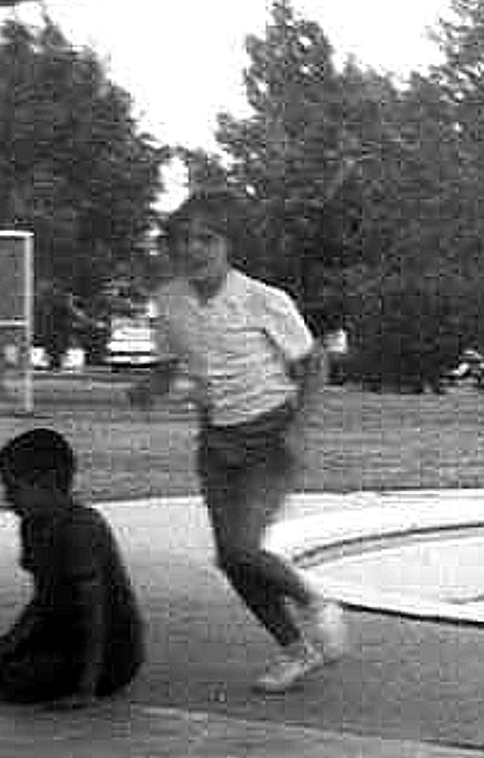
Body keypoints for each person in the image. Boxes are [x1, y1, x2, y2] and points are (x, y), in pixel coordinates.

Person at [131, 189, 349, 693]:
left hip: (270, 438)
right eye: (184, 239)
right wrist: (150, 387)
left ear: (229, 245)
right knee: (231, 557)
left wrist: (298, 429)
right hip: (216, 442)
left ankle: (317, 606)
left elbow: (313, 363)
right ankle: (296, 651)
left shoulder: (263, 300)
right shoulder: (168, 303)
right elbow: (168, 367)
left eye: (206, 239)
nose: (193, 249)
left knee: (241, 547)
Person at [0, 427, 144, 707]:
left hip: (110, 648)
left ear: (49, 484)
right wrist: (5, 647)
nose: (7, 498)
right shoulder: (31, 526)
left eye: (14, 488)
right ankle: (25, 667)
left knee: (20, 678)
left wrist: (86, 689)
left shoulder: (80, 529)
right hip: (60, 636)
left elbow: (95, 612)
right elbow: (42, 602)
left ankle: (64, 676)